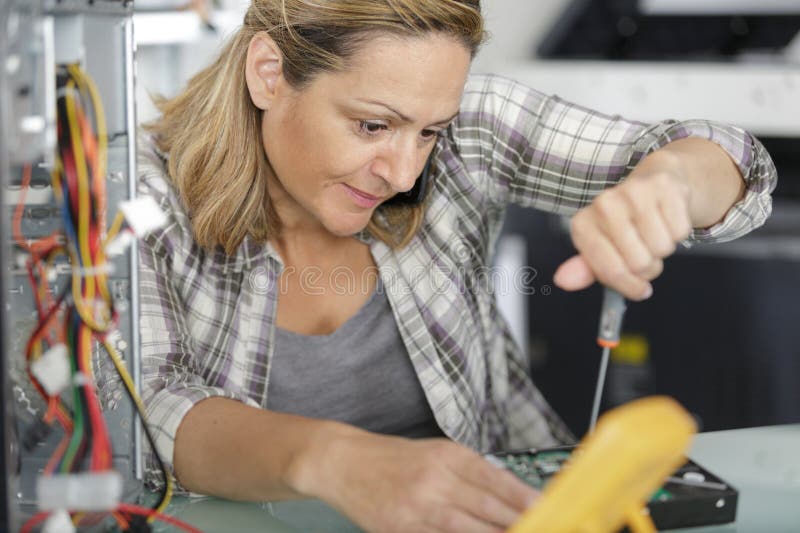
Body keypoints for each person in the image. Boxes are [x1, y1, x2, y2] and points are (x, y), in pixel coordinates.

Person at [136, 1, 777, 531]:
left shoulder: (470, 132)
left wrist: (670, 181)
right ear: (269, 73)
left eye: (428, 132)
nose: (404, 173)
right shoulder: (136, 199)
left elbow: (732, 162)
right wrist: (338, 461)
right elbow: (155, 409)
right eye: (371, 126)